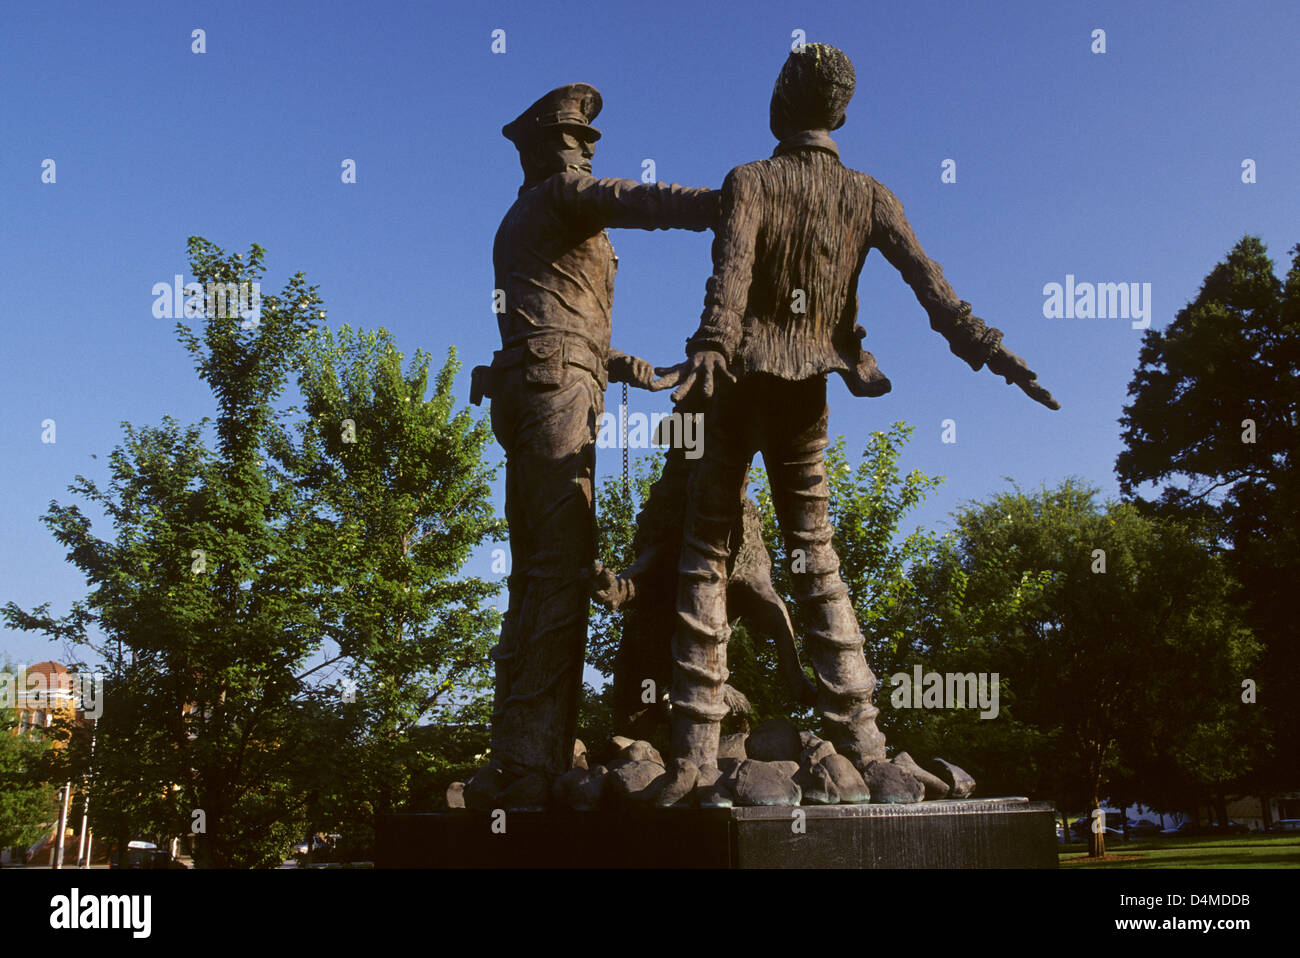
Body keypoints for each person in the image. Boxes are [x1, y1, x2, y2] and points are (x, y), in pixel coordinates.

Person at [654, 43, 1058, 794]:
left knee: (704, 550)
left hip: (742, 382)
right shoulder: (870, 194)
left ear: (780, 105)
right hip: (809, 387)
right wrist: (995, 353)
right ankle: (865, 742)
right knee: (817, 556)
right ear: (839, 113)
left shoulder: (752, 180)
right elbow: (937, 294)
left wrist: (711, 347)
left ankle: (695, 753)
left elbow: (730, 279)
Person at [464, 83, 717, 809]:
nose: (584, 153)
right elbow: (637, 201)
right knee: (561, 569)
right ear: (547, 149)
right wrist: (725, 203)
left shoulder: (523, 220)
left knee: (536, 572)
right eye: (575, 142)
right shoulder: (557, 198)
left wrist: (620, 363)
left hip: (542, 381)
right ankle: (531, 763)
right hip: (553, 391)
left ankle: (514, 753)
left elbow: (557, 317)